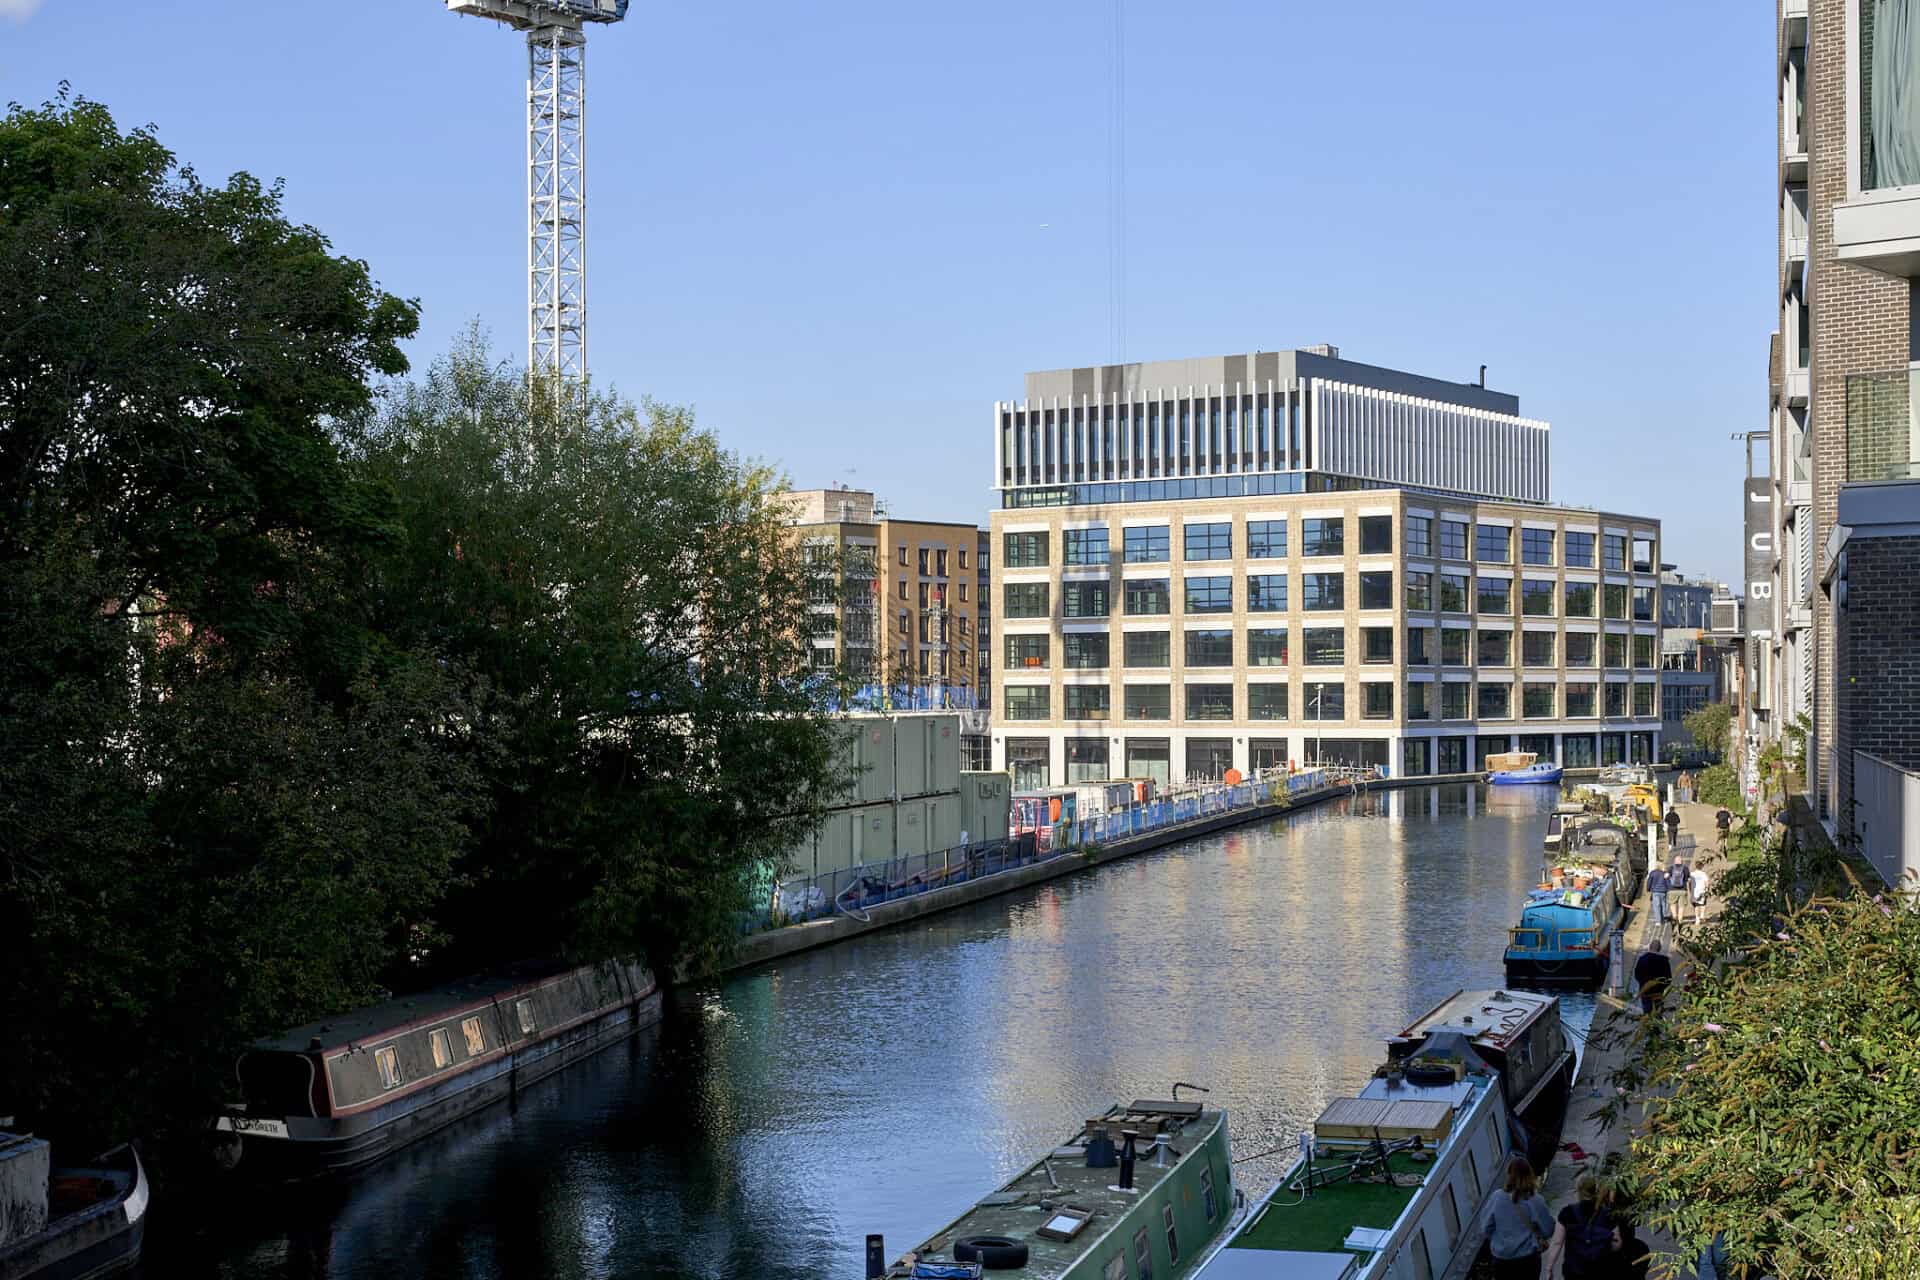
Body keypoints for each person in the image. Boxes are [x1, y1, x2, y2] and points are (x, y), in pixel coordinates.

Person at [1481, 1156, 1555, 1280]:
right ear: (1530, 1174)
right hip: (1528, 1260)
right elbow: (1548, 1230)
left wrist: (1500, 1239)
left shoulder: (1497, 1197)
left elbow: (1485, 1228)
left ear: (1509, 1175)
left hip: (1502, 1260)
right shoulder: (1536, 1200)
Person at [1541, 1176, 1618, 1280]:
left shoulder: (1567, 1212)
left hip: (1574, 1269)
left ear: (1578, 1191)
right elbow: (1617, 1243)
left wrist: (1549, 1268)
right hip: (1600, 1269)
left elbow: (1557, 1243)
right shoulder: (1607, 1214)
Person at [1634, 938, 1672, 1016]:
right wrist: (1661, 987)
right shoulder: (1664, 961)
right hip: (1658, 992)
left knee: (1646, 1013)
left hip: (1645, 991)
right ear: (1659, 949)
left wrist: (1643, 983)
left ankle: (1647, 1020)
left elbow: (1637, 975)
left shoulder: (1643, 959)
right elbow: (1668, 978)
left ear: (1650, 947)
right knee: (1657, 1013)